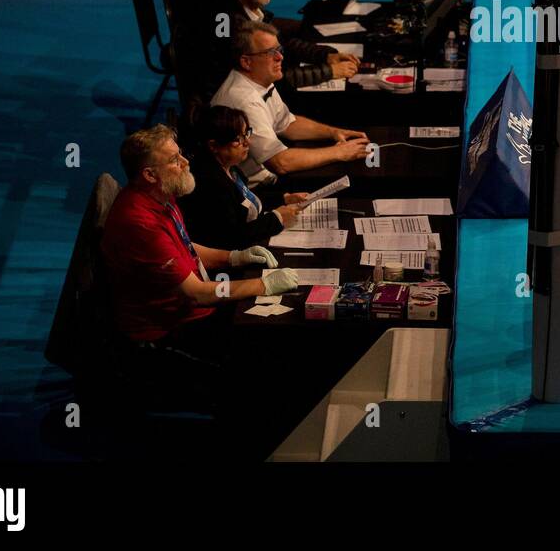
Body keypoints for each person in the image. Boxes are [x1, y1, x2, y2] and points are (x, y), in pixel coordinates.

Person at [100, 124, 298, 408]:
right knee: (269, 348)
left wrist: (234, 257)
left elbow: (186, 247)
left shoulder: (159, 194)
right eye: (174, 160)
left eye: (180, 154)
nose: (185, 162)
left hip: (192, 307)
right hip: (166, 332)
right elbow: (197, 293)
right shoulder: (141, 224)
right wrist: (262, 284)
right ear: (149, 174)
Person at [209, 22, 371, 184]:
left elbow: (287, 123)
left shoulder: (259, 78)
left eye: (279, 50)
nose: (280, 57)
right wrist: (339, 152)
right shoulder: (243, 100)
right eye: (270, 53)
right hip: (256, 189)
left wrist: (333, 132)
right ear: (246, 62)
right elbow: (280, 163)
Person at [178, 105, 311, 251]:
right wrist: (277, 218)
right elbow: (232, 237)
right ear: (213, 145)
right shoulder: (209, 183)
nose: (247, 142)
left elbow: (246, 199)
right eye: (237, 139)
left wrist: (284, 199)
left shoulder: (228, 166)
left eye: (246, 133)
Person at [228, 0, 359, 87]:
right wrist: (330, 71)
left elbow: (286, 44)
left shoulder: (258, 13)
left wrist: (327, 56)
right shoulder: (237, 28)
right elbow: (277, 78)